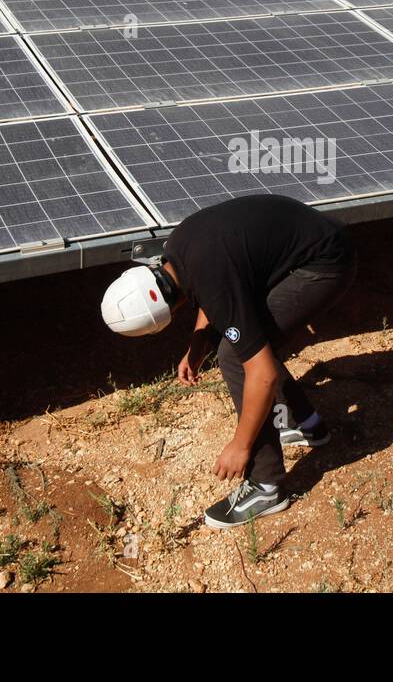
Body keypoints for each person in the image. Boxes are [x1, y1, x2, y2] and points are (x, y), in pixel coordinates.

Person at [100, 194, 357, 528]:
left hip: (325, 263)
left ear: (166, 316)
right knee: (245, 344)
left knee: (238, 357)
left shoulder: (211, 279)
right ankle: (305, 424)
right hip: (315, 236)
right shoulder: (177, 248)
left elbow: (262, 373)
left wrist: (241, 444)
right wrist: (198, 344)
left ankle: (266, 486)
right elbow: (212, 287)